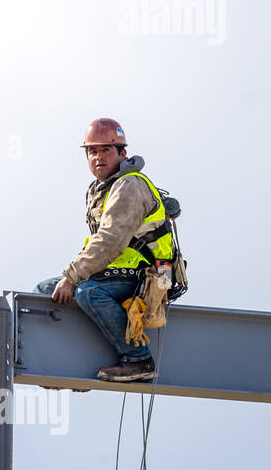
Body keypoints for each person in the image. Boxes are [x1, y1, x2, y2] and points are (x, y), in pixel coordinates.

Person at [35, 119, 174, 382]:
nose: (98, 157)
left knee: (88, 293)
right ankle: (78, 362)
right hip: (121, 271)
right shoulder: (103, 188)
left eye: (106, 150)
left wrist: (72, 277)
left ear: (122, 153)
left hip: (152, 276)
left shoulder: (129, 185)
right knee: (44, 292)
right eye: (92, 151)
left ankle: (138, 359)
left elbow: (109, 241)